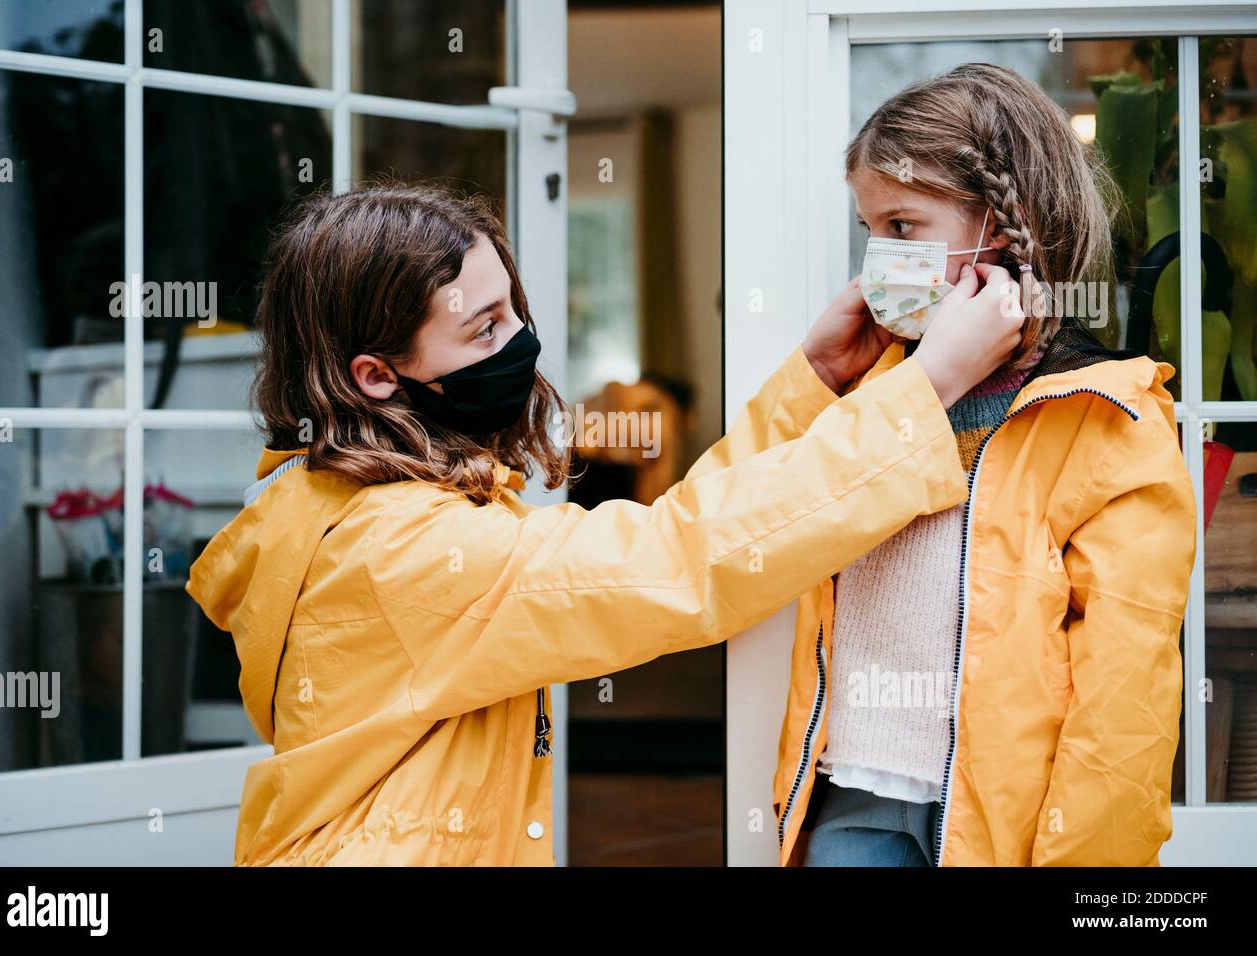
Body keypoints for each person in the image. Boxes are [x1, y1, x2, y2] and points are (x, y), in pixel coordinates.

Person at [186, 179, 1020, 865]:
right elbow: (678, 562)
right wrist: (925, 390)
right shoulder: (401, 552)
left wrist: (813, 383)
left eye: (511, 310)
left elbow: (681, 529)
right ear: (375, 375)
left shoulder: (339, 502)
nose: (521, 343)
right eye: (483, 330)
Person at [782, 63, 1196, 867]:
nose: (879, 258)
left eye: (903, 226)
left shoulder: (1109, 419)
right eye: (869, 229)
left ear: (1004, 228)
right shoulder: (870, 396)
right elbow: (748, 516)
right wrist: (818, 378)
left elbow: (1124, 704)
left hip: (1005, 822)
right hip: (852, 792)